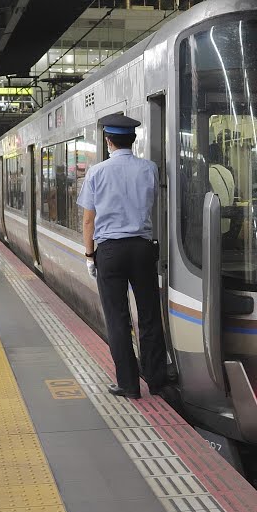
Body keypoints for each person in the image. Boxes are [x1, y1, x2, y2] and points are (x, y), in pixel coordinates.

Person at [79, 114, 168, 399]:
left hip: (110, 252)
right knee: (150, 316)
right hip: (142, 248)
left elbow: (88, 222)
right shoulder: (149, 169)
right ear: (134, 139)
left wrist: (89, 255)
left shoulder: (96, 172)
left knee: (117, 319)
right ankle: (157, 381)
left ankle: (129, 385)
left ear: (108, 141)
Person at [208, 142, 235, 235]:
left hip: (209, 225)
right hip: (225, 226)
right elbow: (230, 201)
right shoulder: (228, 173)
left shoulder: (202, 174)